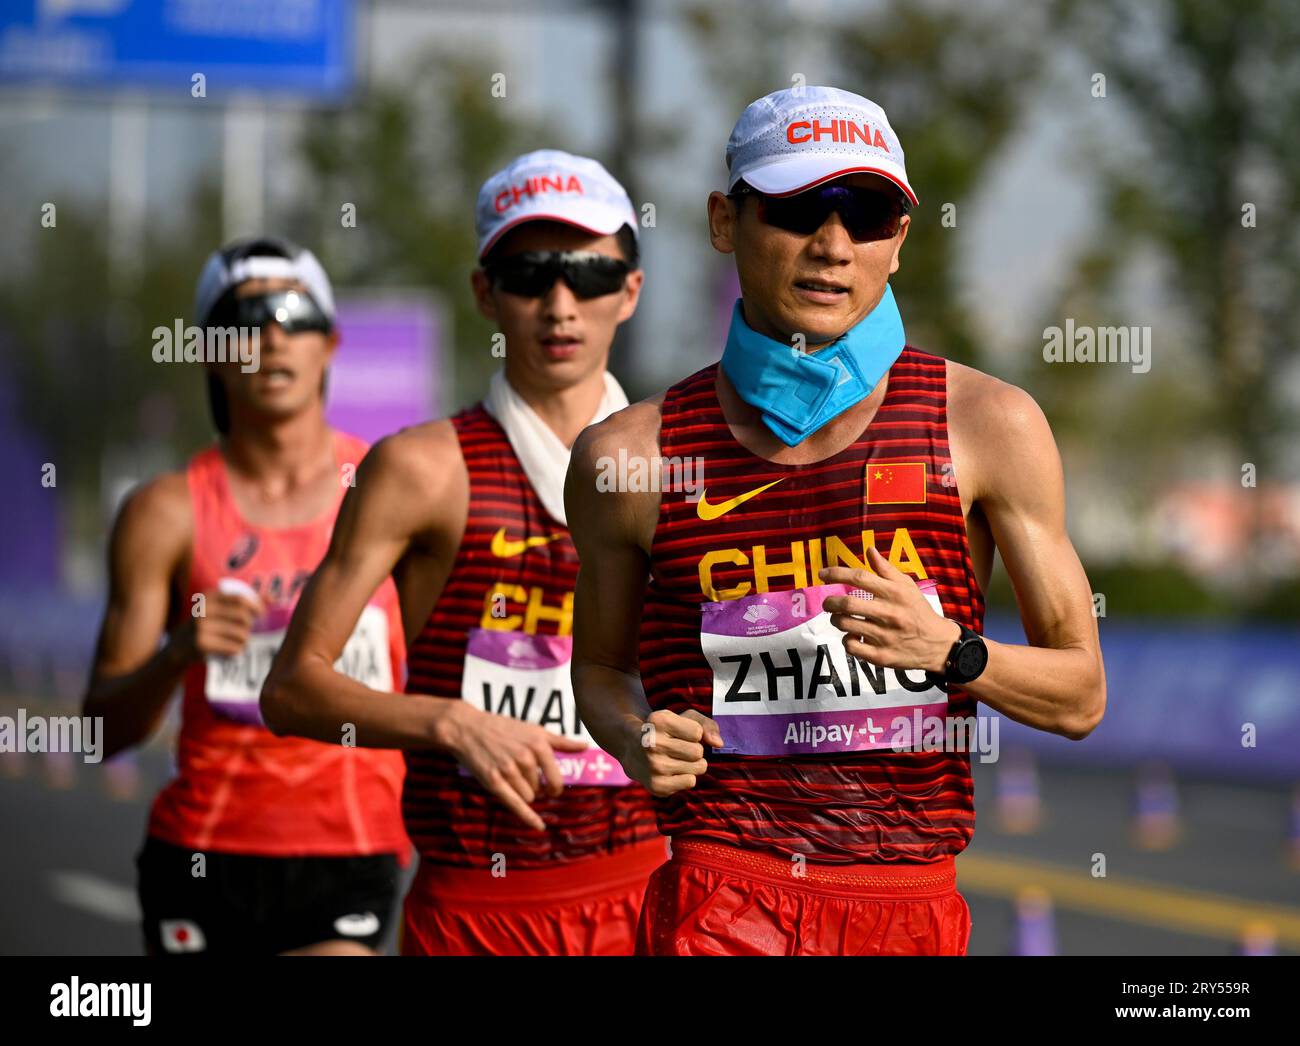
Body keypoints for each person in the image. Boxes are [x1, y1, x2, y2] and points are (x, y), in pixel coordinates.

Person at [566, 87, 1107, 956]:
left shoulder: (989, 424)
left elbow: (1081, 694)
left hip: (907, 899)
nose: (831, 245)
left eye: (865, 212)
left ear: (898, 240)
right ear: (722, 220)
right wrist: (634, 740)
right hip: (724, 892)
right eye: (794, 208)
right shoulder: (627, 457)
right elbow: (597, 669)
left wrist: (953, 653)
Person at [261, 150, 665, 956]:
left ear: (629, 290)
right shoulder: (420, 468)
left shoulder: (685, 459)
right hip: (477, 912)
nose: (560, 304)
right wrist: (449, 722)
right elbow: (291, 690)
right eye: (528, 273)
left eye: (588, 274)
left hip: (650, 897)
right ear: (485, 292)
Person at [83, 238, 409, 955]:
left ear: (330, 343)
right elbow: (99, 734)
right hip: (201, 854)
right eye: (244, 318)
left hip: (349, 852)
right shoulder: (163, 513)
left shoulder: (394, 491)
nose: (270, 336)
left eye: (294, 313)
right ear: (208, 350)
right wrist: (176, 654)